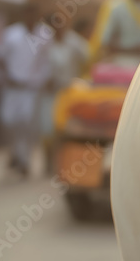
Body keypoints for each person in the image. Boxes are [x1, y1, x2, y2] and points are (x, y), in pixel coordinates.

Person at [0, 3, 51, 177]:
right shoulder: (11, 34)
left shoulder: (45, 35)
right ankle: (15, 151)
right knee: (7, 119)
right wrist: (6, 76)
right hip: (12, 87)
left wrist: (44, 79)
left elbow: (48, 60)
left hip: (32, 88)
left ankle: (24, 159)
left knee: (27, 121)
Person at [39, 16, 88, 173]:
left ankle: (61, 163)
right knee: (47, 128)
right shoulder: (44, 43)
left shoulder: (75, 42)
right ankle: (48, 161)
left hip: (68, 92)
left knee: (64, 127)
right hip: (49, 92)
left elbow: (88, 58)